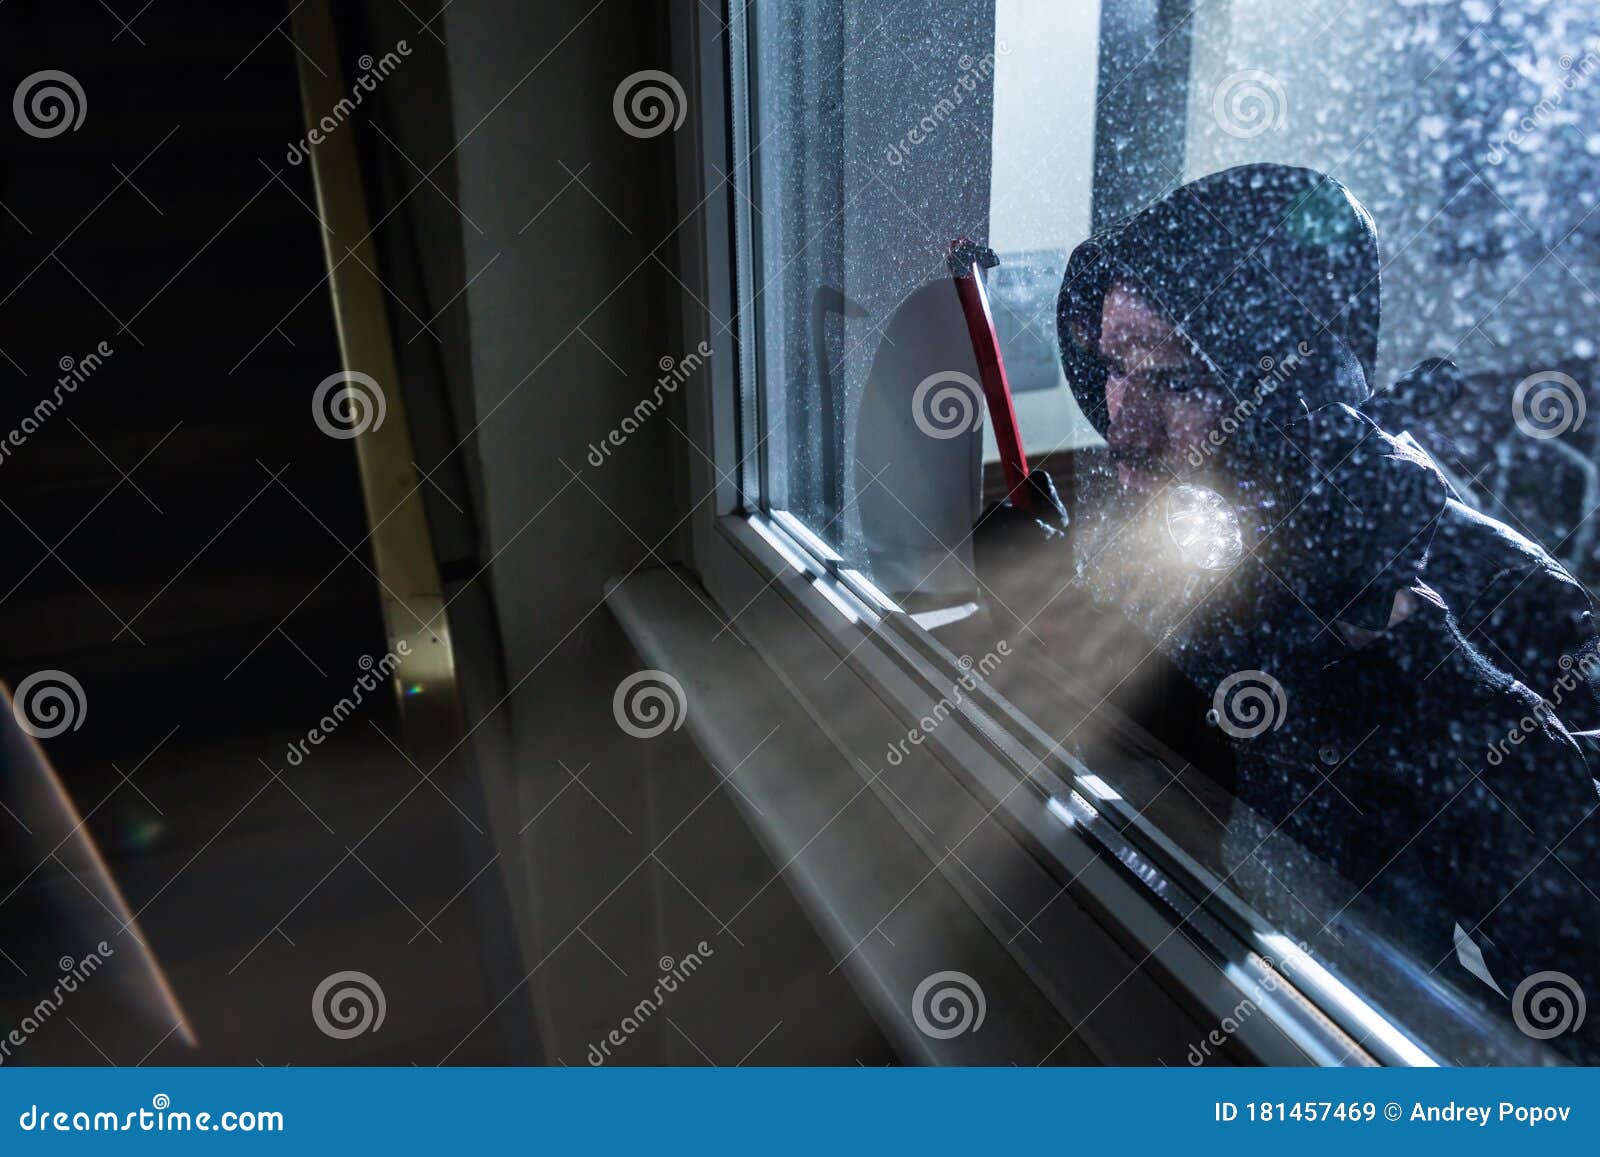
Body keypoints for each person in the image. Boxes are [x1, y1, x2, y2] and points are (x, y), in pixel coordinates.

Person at [1048, 163, 1600, 1057]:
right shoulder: (1168, 536)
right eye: (1114, 368)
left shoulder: (1504, 595)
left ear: (1299, 399)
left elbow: (1577, 974)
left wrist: (1409, 652)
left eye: (1178, 380)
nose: (1127, 426)